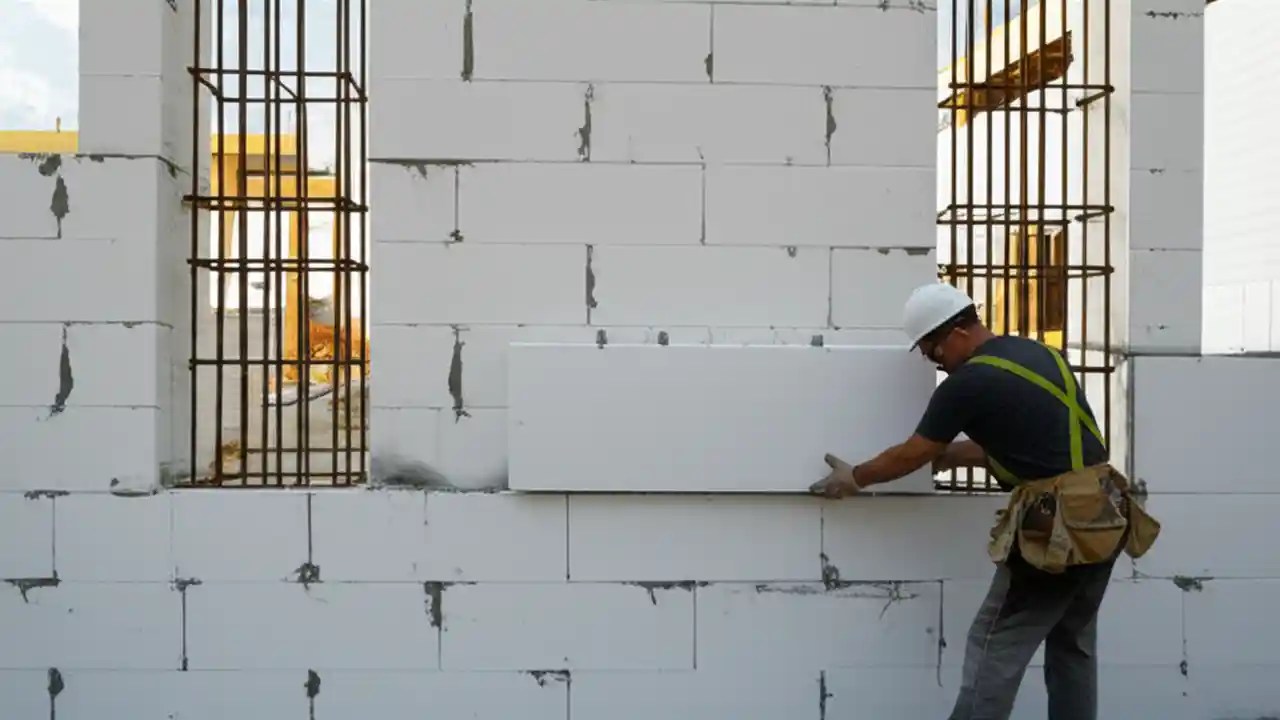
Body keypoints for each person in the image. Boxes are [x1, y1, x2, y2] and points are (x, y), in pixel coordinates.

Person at [808, 282, 1159, 720]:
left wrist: (855, 477)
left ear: (955, 333)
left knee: (994, 641)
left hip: (1059, 524)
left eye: (932, 351)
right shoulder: (1039, 354)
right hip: (1107, 508)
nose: (935, 362)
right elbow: (1049, 444)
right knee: (1073, 642)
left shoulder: (969, 382)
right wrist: (953, 454)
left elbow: (912, 451)